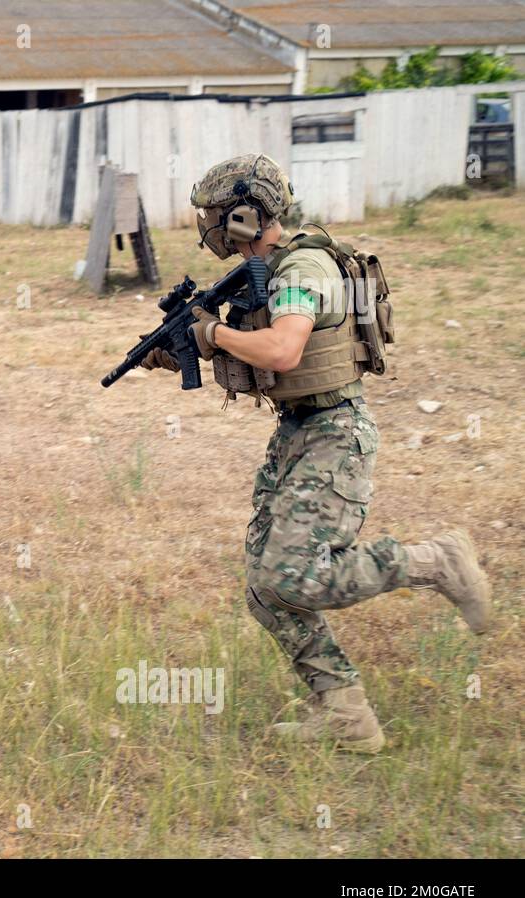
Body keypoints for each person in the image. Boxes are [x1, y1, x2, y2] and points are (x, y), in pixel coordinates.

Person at [144, 153, 492, 754]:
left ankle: (436, 562)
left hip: (336, 435)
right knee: (265, 589)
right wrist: (181, 350)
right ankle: (345, 714)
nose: (206, 225)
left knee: (293, 576)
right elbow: (260, 358)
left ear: (244, 215)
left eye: (213, 213)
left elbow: (282, 351)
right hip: (298, 433)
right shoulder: (265, 272)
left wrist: (212, 332)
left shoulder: (304, 269)